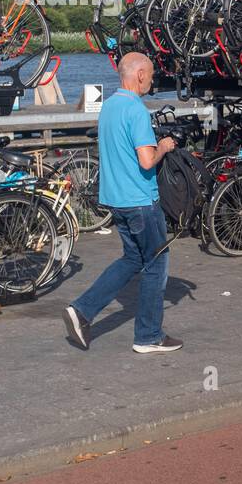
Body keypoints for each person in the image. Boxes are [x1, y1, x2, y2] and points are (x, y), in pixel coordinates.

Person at [63, 53, 182, 353]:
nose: (152, 81)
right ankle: (149, 336)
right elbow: (146, 161)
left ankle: (82, 310)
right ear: (140, 74)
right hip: (140, 200)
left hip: (116, 199)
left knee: (133, 259)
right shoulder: (136, 110)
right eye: (152, 76)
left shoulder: (109, 107)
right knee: (156, 265)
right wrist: (164, 147)